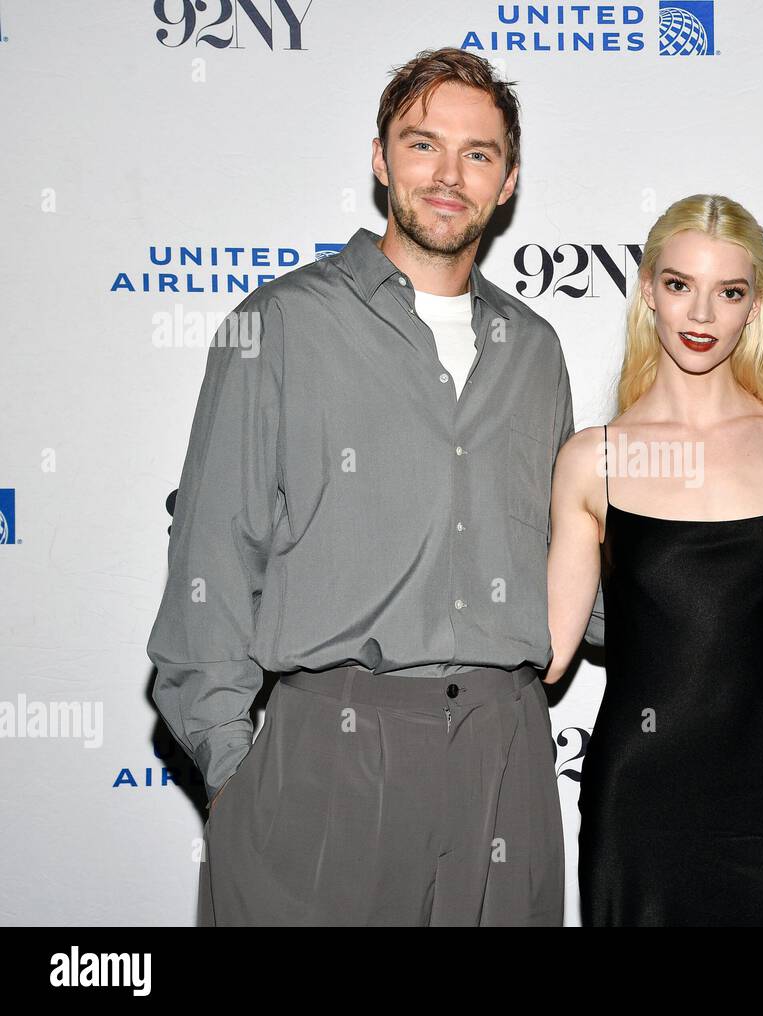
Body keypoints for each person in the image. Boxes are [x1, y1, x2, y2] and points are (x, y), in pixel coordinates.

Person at [147, 47, 596, 926]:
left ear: (507, 182)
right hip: (330, 754)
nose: (449, 175)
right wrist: (235, 778)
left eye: (479, 153)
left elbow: (565, 557)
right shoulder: (279, 325)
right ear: (381, 159)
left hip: (506, 757)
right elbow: (211, 550)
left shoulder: (534, 351)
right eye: (422, 144)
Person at [544, 194, 763, 925]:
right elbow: (550, 657)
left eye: (728, 292)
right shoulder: (593, 459)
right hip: (638, 800)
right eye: (680, 285)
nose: (702, 315)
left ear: (755, 306)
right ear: (648, 290)